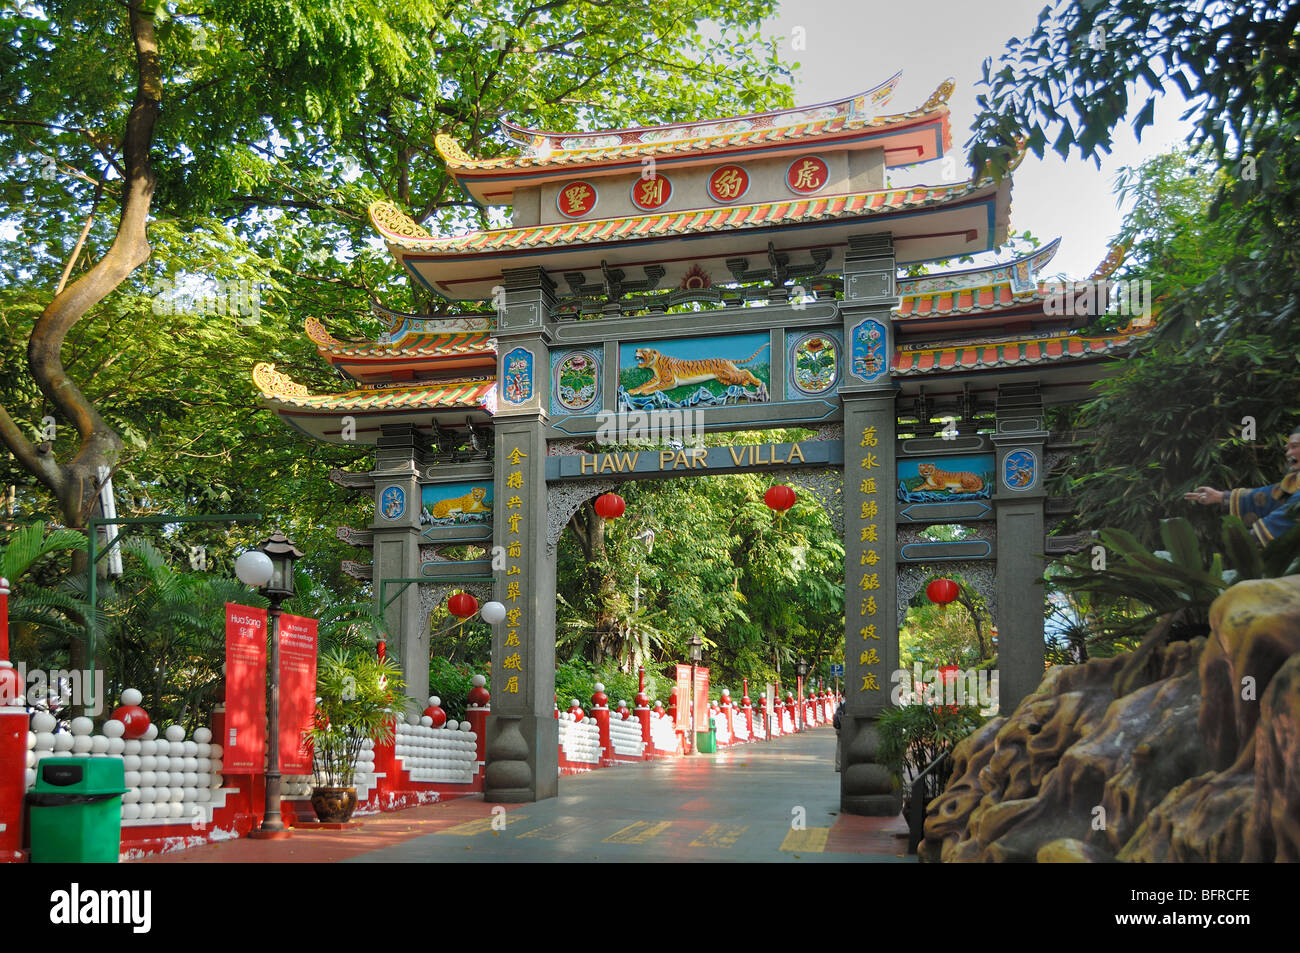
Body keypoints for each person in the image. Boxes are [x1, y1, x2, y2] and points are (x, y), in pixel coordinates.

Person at [1185, 427, 1300, 544]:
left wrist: (1248, 541)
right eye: (1287, 449)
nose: (1288, 454)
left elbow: (1287, 516)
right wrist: (1220, 496)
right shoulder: (1293, 483)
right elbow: (1266, 497)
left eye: (1294, 447)